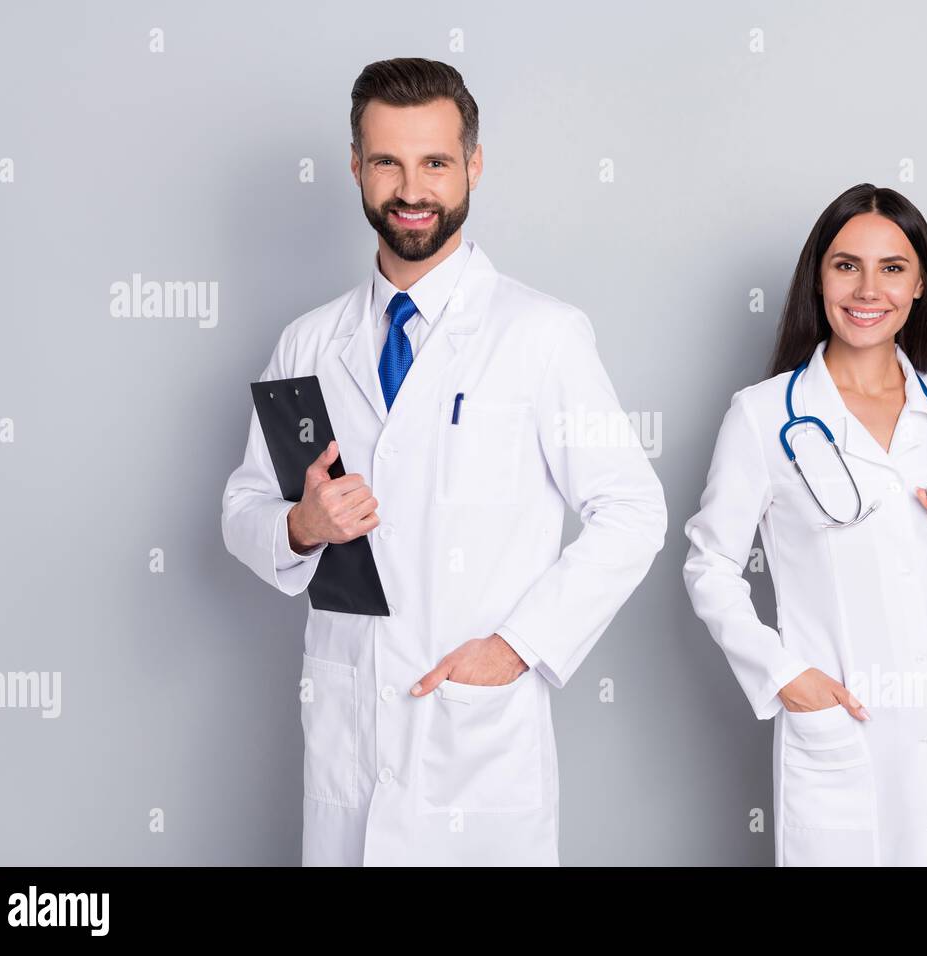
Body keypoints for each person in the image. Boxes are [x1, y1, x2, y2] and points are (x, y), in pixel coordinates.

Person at [221, 57, 666, 866]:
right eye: (387, 161)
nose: (411, 189)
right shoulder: (309, 342)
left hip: (477, 741)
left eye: (435, 161)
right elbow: (242, 510)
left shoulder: (541, 334)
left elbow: (634, 510)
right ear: (356, 167)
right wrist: (299, 524)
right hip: (350, 741)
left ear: (474, 164)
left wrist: (519, 646)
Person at [682, 183, 927, 866]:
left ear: (920, 283)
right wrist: (783, 675)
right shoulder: (765, 415)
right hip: (843, 725)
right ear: (818, 278)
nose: (868, 289)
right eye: (845, 265)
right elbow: (708, 566)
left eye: (892, 267)